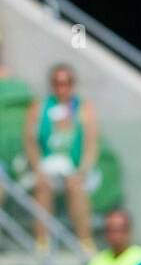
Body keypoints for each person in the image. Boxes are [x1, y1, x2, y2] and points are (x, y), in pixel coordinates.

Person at [24, 63, 97, 251]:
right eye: (57, 83)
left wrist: (82, 171)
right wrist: (37, 168)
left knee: (75, 185)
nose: (62, 88)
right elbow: (30, 142)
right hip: (47, 165)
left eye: (67, 83)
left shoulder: (83, 108)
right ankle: (42, 241)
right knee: (43, 185)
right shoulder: (39, 107)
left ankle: (84, 240)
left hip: (74, 166)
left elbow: (91, 144)